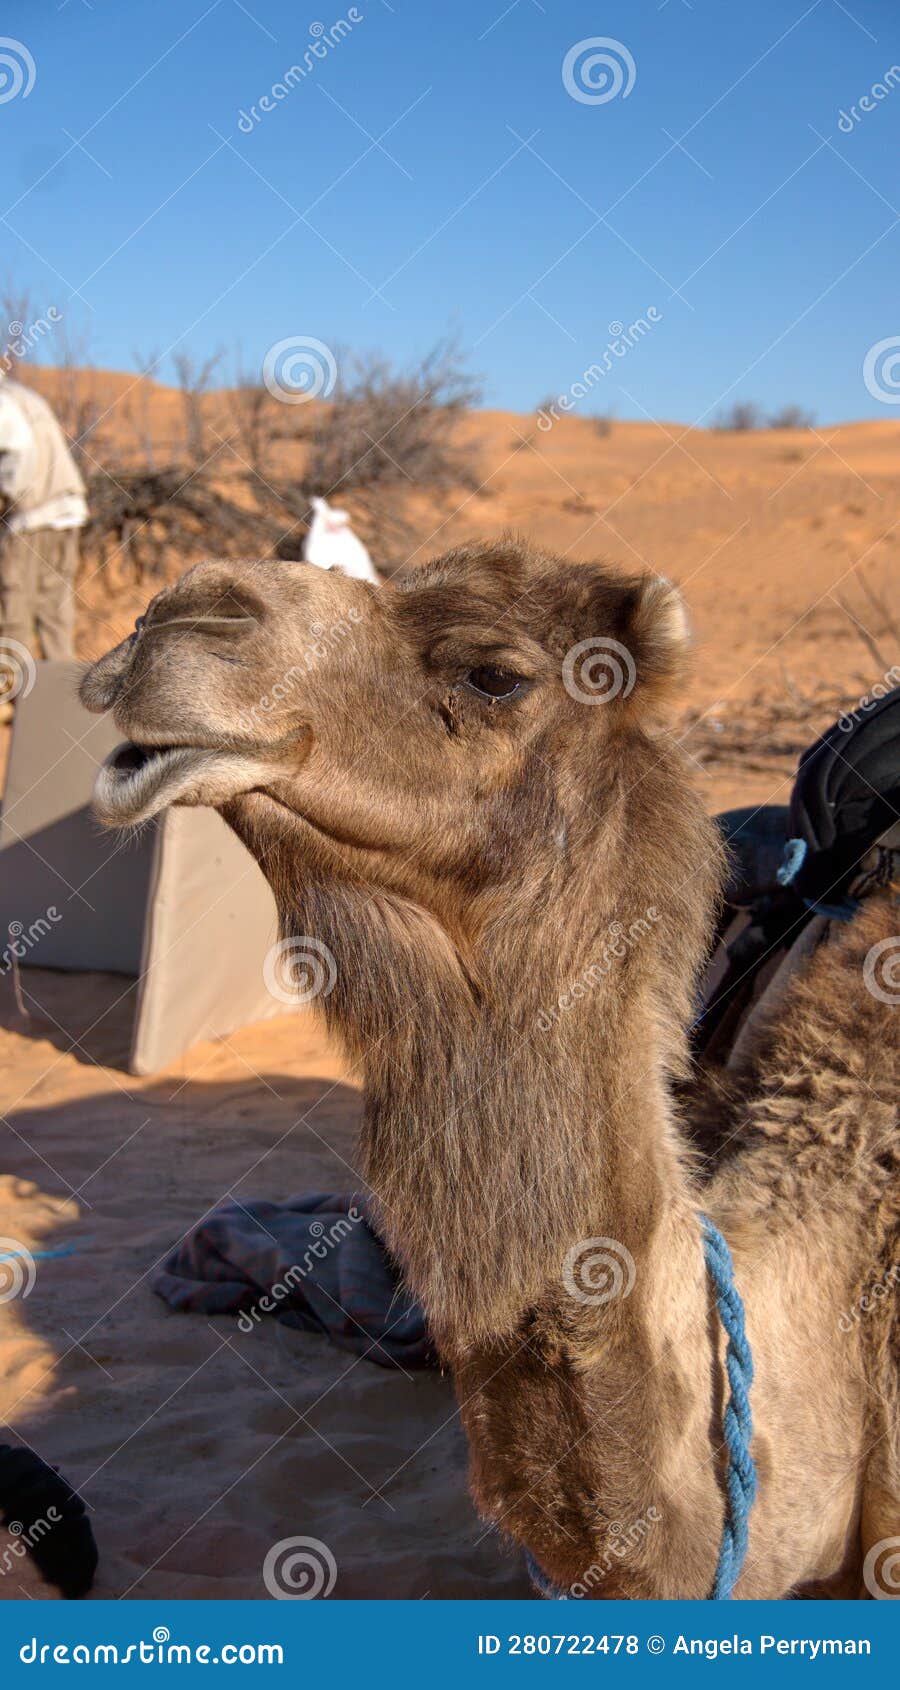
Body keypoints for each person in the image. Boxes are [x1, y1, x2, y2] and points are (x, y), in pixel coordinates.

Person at [0, 373, 88, 718]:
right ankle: (61, 699)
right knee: (55, 609)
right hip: (67, 512)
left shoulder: (4, 402)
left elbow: (16, 453)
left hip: (31, 518)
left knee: (14, 605)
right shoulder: (26, 396)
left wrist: (7, 496)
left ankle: (10, 699)